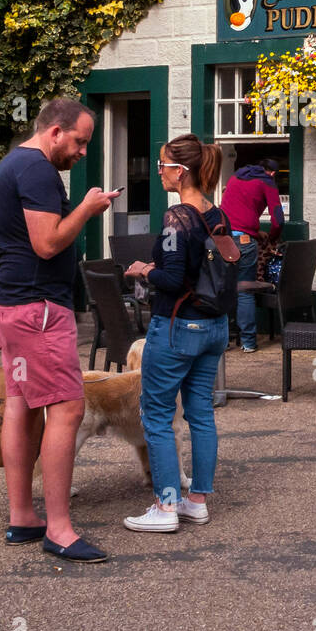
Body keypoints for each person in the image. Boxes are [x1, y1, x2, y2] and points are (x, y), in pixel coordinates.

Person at [0, 98, 121, 563]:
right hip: (38, 307)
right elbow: (47, 243)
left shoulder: (6, 166)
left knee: (20, 404)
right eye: (80, 141)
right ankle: (59, 529)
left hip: (10, 302)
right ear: (55, 131)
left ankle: (23, 516)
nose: (82, 151)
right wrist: (87, 207)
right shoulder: (39, 170)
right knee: (67, 409)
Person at [123, 133, 230, 533]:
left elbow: (170, 277)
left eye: (163, 165)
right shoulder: (218, 215)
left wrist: (144, 269)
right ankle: (196, 501)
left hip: (176, 327)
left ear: (180, 172)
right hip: (214, 326)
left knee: (156, 416)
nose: (158, 171)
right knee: (201, 413)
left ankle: (166, 506)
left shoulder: (176, 217)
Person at [219, 157, 283, 352]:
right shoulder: (267, 182)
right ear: (271, 173)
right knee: (244, 289)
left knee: (223, 288)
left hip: (222, 239)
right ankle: (248, 342)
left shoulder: (234, 178)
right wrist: (272, 238)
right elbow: (278, 220)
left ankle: (222, 341)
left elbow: (236, 213)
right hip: (244, 243)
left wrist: (256, 233)